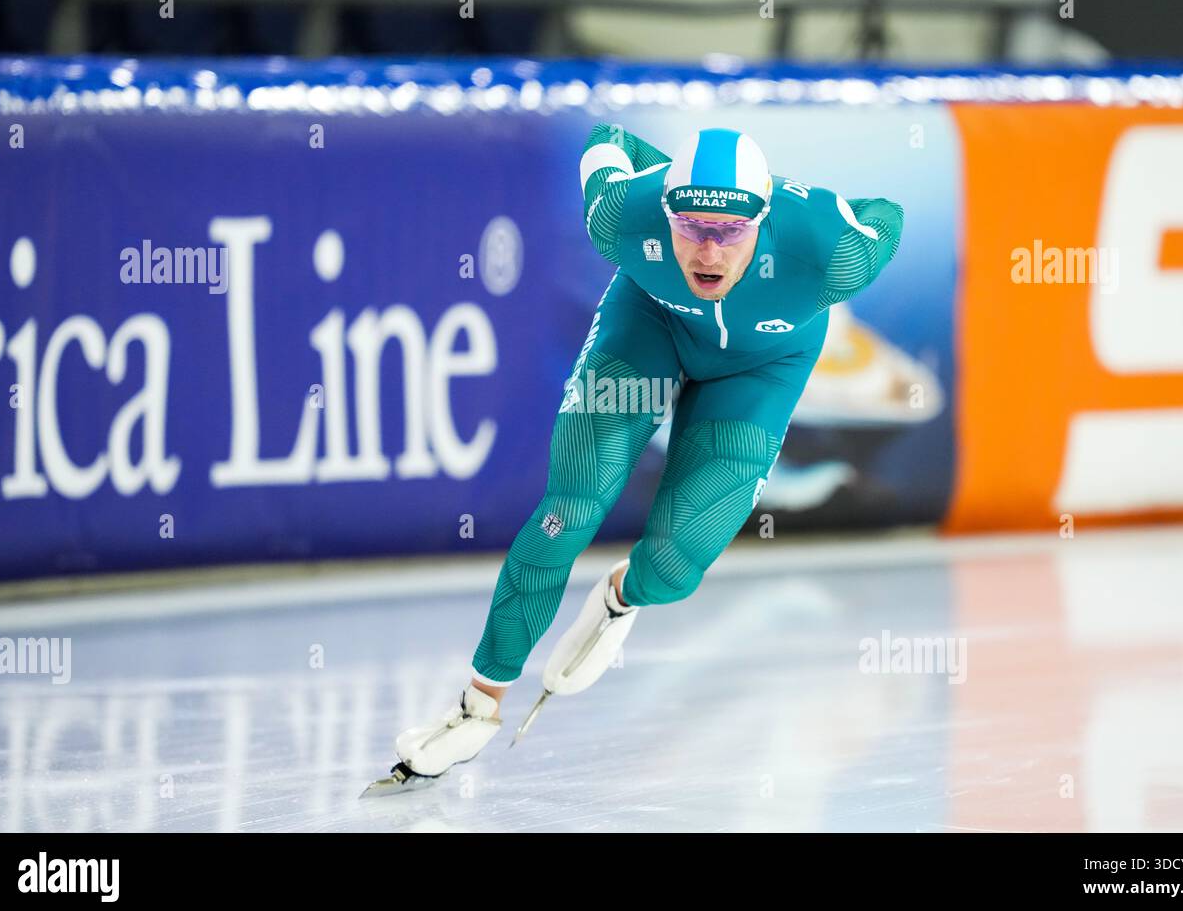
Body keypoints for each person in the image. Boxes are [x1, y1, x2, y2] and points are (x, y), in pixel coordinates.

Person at [364, 123, 904, 795]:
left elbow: (888, 213)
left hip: (763, 367)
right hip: (649, 328)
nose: (707, 250)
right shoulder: (621, 216)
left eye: (731, 231)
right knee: (571, 507)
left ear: (764, 217)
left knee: (678, 565)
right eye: (690, 225)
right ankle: (478, 703)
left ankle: (623, 597)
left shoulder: (833, 254)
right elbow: (611, 136)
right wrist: (659, 171)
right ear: (667, 210)